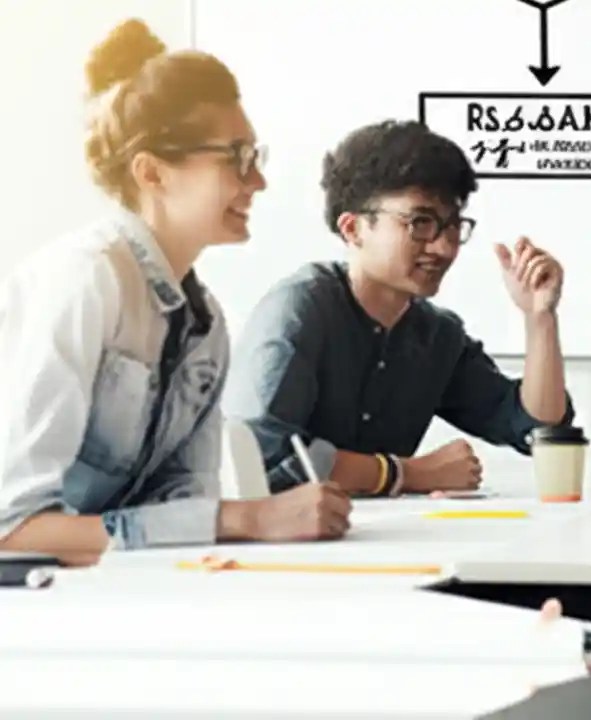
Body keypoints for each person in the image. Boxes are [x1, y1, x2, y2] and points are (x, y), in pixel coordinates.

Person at [0, 19, 351, 563]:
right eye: (237, 157)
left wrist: (234, 525)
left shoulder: (207, 325)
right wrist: (246, 519)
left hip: (116, 592)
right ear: (152, 173)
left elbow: (183, 512)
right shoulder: (88, 280)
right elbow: (12, 531)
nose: (257, 181)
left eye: (255, 156)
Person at [224, 120, 574, 497]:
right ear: (353, 229)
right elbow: (259, 459)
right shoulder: (300, 310)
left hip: (384, 531)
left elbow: (538, 431)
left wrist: (540, 317)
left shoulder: (437, 336)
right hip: (281, 535)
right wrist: (404, 473)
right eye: (420, 222)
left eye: (452, 225)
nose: (443, 247)